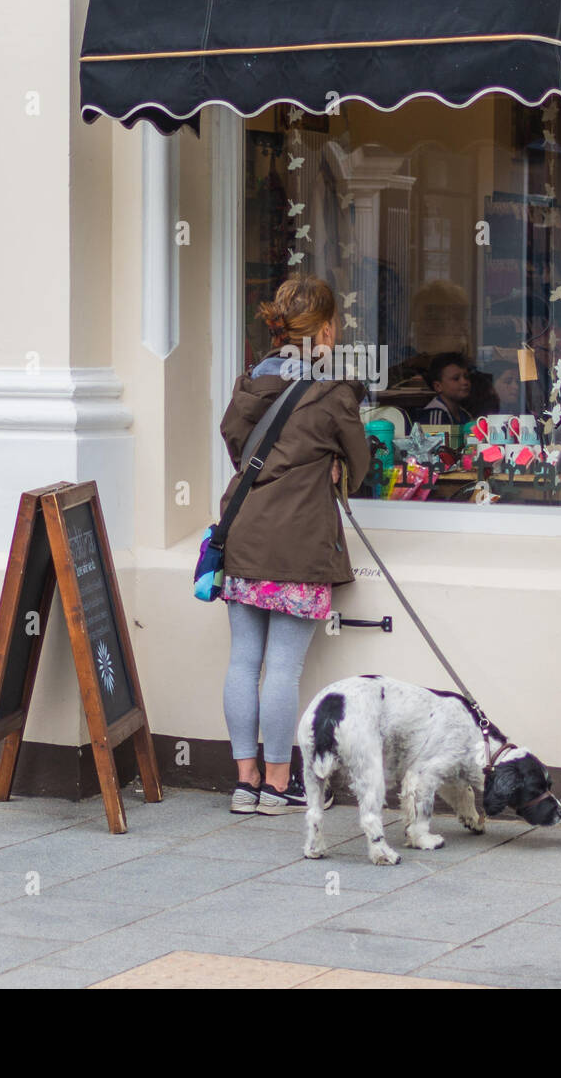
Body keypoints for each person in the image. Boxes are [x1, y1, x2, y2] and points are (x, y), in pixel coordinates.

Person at [217, 276, 370, 816]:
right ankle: (280, 784)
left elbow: (236, 443)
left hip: (243, 538)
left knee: (243, 662)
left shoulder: (250, 382)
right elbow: (362, 465)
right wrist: (327, 466)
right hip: (299, 546)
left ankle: (245, 781)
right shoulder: (332, 394)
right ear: (326, 331)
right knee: (281, 669)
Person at [416, 351, 471, 425]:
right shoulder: (436, 416)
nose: (465, 382)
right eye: (456, 378)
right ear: (438, 386)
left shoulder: (464, 414)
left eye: (466, 377)